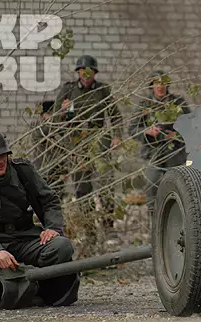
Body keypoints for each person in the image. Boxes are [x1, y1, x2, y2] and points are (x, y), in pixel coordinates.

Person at [0, 130, 79, 311]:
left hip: (25, 239)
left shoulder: (22, 171)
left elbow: (48, 201)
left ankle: (45, 294)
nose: (0, 160)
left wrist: (53, 228)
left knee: (61, 246)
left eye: (3, 155)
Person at [51, 55, 123, 246]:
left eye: (90, 70)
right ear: (79, 72)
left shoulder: (102, 91)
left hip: (99, 142)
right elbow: (55, 123)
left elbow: (115, 116)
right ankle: (89, 230)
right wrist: (62, 112)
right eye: (82, 70)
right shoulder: (68, 90)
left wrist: (116, 136)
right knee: (83, 190)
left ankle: (109, 228)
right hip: (76, 145)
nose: (86, 74)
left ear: (94, 73)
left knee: (106, 185)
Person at [128, 70, 191, 216]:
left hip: (175, 153)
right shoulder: (145, 105)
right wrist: (147, 131)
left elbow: (191, 127)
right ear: (152, 85)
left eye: (163, 83)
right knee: (152, 186)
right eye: (157, 83)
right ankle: (154, 221)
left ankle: (178, 220)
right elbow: (132, 129)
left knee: (178, 187)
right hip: (153, 153)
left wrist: (176, 135)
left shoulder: (178, 103)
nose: (160, 87)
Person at [31, 100, 69, 200]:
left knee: (58, 195)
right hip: (44, 167)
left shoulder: (57, 125)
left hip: (57, 167)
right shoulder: (39, 126)